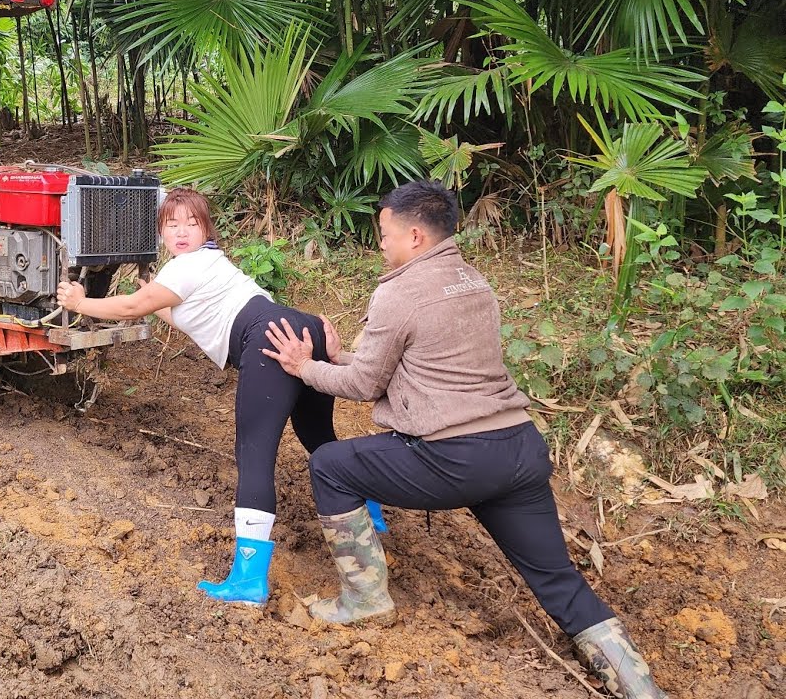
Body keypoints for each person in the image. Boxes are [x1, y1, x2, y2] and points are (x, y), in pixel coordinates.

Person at [261, 180, 667, 699]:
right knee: (558, 581)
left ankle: (364, 599)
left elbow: (365, 387)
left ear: (414, 236)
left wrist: (305, 366)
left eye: (383, 233)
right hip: (517, 450)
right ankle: (643, 690)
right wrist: (341, 359)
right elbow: (426, 367)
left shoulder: (399, 291)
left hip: (452, 459)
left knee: (331, 465)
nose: (379, 244)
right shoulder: (474, 281)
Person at [55, 187, 382, 607]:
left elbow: (128, 309)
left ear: (206, 228)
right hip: (303, 329)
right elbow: (177, 313)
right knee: (315, 432)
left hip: (267, 340)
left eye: (192, 223)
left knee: (254, 453)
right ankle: (370, 513)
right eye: (172, 225)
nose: (182, 232)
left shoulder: (185, 267)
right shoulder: (207, 265)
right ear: (162, 231)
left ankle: (248, 581)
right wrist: (153, 295)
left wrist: (82, 301)